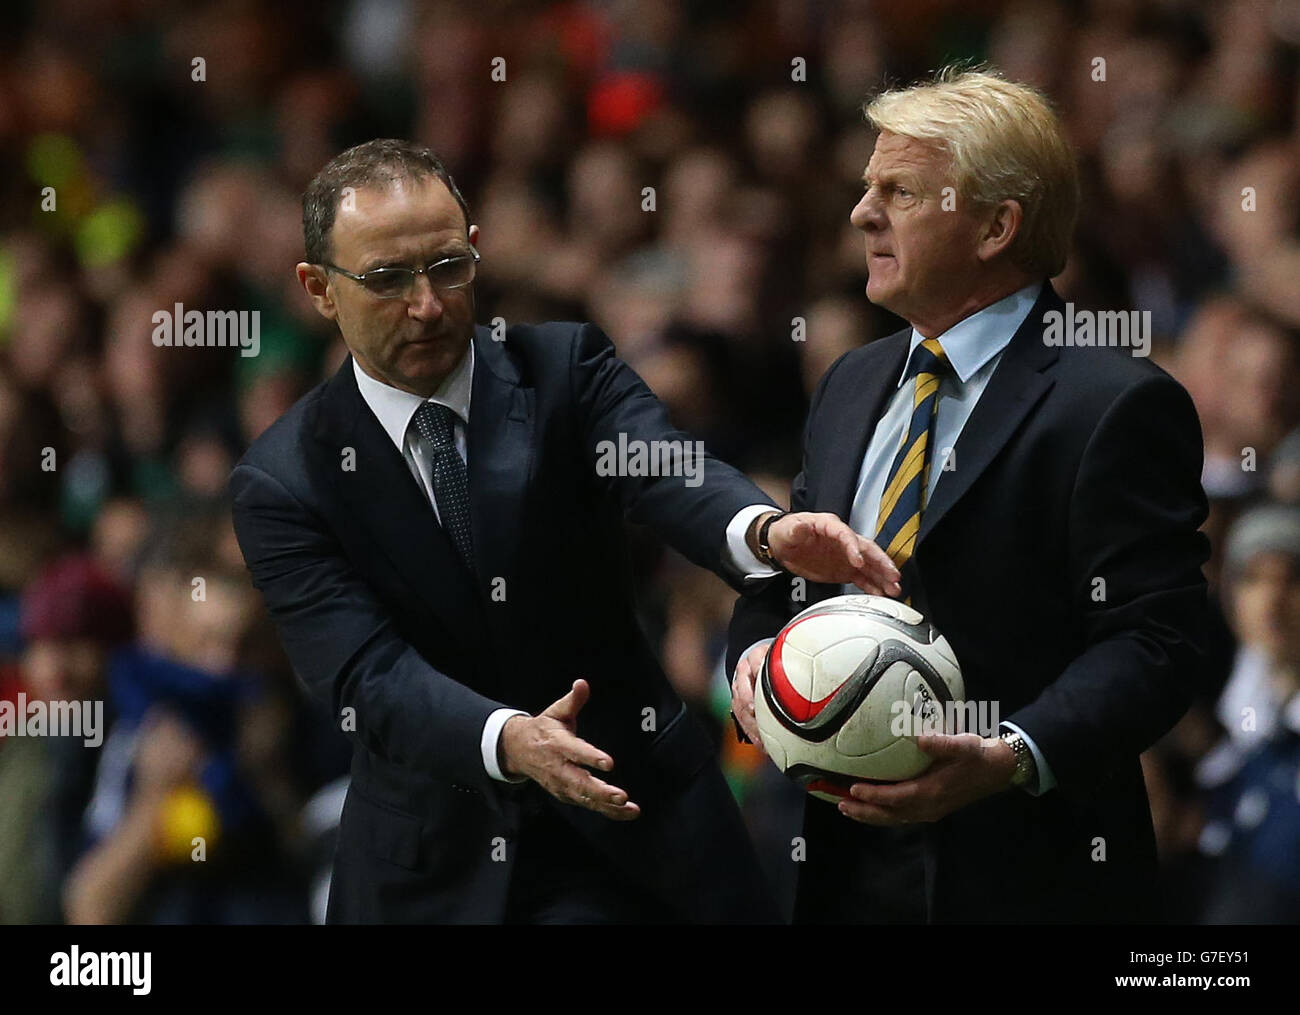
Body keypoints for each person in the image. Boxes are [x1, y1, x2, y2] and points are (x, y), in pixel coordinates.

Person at [230, 138, 899, 923]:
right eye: (386, 280)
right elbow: (368, 675)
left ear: (476, 251)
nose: (428, 303)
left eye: (448, 266)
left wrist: (761, 531)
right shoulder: (284, 479)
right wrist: (507, 736)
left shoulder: (562, 367)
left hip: (641, 832)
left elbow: (664, 469)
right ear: (319, 289)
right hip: (435, 872)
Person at [728, 68, 1212, 923]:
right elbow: (788, 577)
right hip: (839, 865)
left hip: (1031, 873)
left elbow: (1159, 638)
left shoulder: (1115, 401)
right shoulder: (851, 381)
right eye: (866, 187)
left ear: (996, 226)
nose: (862, 212)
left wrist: (1012, 752)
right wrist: (751, 660)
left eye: (899, 191)